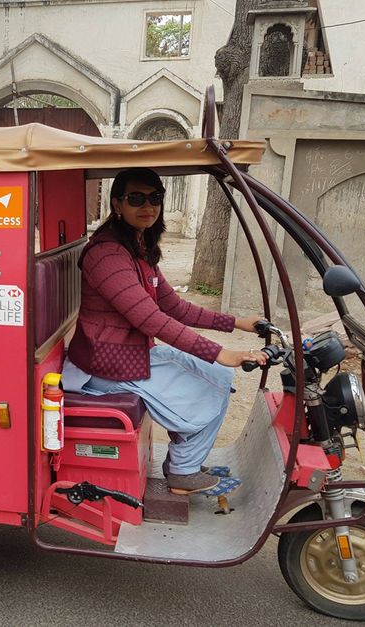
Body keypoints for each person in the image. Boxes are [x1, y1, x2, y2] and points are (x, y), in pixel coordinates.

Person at [63, 168, 267, 495]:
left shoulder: (137, 247)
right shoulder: (107, 255)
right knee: (208, 388)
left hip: (131, 353)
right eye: (136, 198)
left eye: (155, 198)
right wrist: (220, 352)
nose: (148, 206)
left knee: (218, 377)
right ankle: (183, 472)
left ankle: (183, 462)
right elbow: (151, 319)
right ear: (117, 203)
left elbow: (173, 307)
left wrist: (236, 323)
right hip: (106, 363)